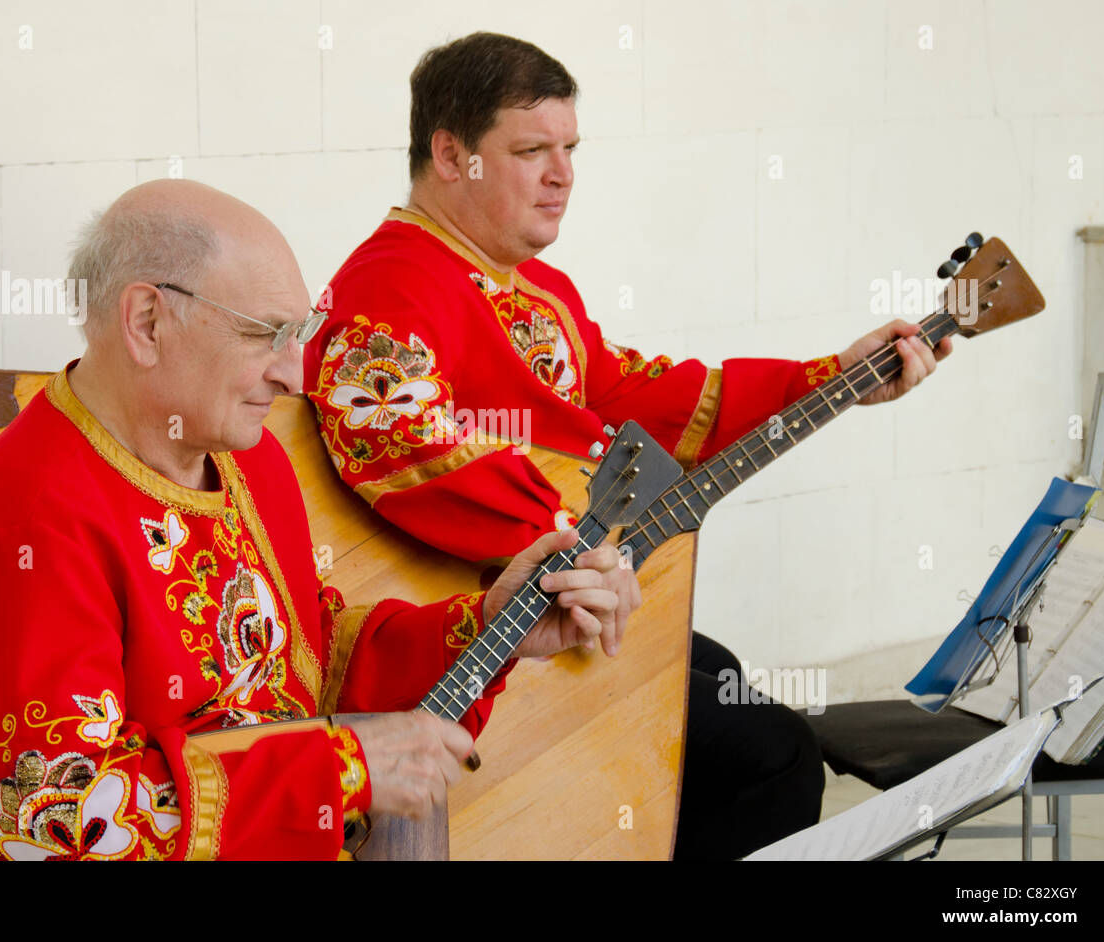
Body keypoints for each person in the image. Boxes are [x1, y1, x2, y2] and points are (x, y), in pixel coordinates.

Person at [0, 179, 638, 861]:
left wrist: (490, 626)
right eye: (267, 333)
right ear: (147, 321)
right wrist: (341, 767)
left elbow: (308, 662)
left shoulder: (246, 457)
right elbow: (58, 815)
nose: (295, 373)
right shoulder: (24, 513)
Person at [303, 32, 951, 859]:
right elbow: (394, 438)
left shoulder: (537, 286)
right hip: (483, 621)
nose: (562, 174)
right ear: (449, 153)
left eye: (570, 148)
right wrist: (581, 529)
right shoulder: (393, 279)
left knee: (721, 675)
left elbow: (633, 396)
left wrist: (830, 377)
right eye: (531, 150)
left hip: (568, 587)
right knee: (775, 756)